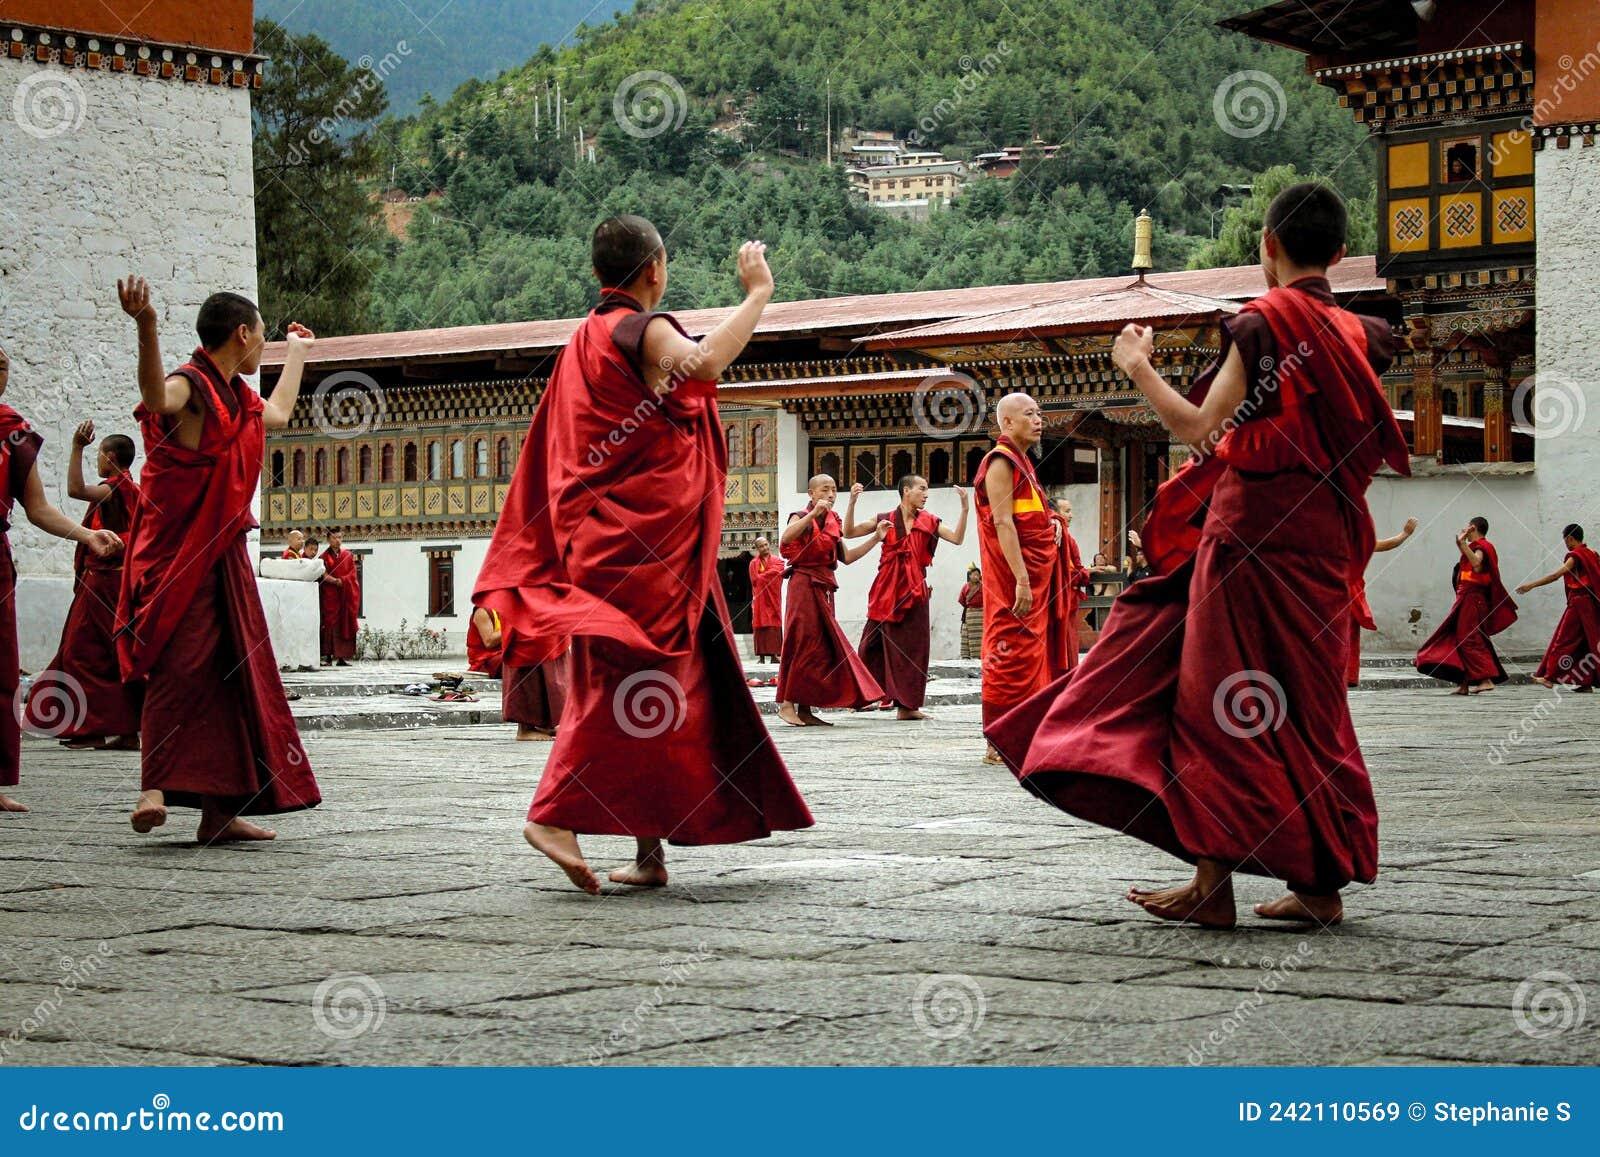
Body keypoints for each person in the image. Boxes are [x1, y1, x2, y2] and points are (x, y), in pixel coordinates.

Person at [989, 182, 1411, 929]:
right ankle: (1319, 883)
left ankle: (1212, 883)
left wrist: (1136, 367)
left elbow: (1198, 426)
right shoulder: (1361, 335)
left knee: (1214, 702)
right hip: (1324, 546)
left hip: (1251, 537)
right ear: (1341, 255)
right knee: (1310, 708)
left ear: (1267, 247)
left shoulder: (1265, 325)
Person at [472, 216, 812, 893]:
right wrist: (758, 294)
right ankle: (552, 813)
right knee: (627, 688)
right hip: (638, 550)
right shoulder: (634, 328)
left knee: (673, 687)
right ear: (654, 268)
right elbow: (707, 362)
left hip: (627, 544)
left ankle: (650, 850)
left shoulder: (584, 341)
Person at [116, 278, 321, 842]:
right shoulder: (191, 384)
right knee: (179, 665)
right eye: (261, 337)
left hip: (221, 551)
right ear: (241, 334)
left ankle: (219, 812)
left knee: (235, 674)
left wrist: (298, 354)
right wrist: (147, 325)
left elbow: (277, 414)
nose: (262, 346)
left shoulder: (236, 394)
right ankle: (152, 786)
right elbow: (157, 398)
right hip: (178, 554)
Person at [0, 345, 125, 812]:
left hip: (13, 560)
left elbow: (39, 507)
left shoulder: (12, 434)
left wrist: (89, 537)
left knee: (2, 667)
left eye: (5, 365)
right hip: (94, 586)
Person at [23, 420, 143, 751]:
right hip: (118, 582)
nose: (97, 463)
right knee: (115, 654)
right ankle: (128, 730)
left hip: (102, 583)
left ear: (109, 457)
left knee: (80, 652)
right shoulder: (132, 488)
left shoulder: (114, 487)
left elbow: (75, 490)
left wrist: (76, 447)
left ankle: (87, 728)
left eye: (99, 456)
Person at [974, 393, 1063, 764]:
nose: (1039, 419)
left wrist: (1054, 523)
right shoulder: (1000, 461)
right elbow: (1004, 522)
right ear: (1007, 423)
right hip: (1014, 578)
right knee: (1009, 651)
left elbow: (1033, 519)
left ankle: (1026, 731)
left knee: (1030, 656)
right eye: (1029, 414)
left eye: (1040, 413)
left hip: (1033, 576)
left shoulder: (1025, 462)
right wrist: (1022, 581)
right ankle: (999, 739)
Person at [844, 475, 968, 720]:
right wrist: (851, 503)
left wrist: (964, 509)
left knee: (914, 648)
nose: (926, 494)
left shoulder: (930, 521)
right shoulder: (885, 520)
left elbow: (957, 538)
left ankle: (908, 707)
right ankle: (864, 695)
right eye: (922, 489)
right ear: (906, 490)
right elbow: (848, 532)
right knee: (872, 644)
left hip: (915, 591)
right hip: (886, 589)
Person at [776, 475, 886, 726]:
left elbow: (847, 557)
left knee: (820, 648)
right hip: (803, 585)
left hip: (825, 587)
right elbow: (787, 538)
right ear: (811, 493)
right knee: (801, 641)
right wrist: (813, 513)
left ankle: (805, 708)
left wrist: (876, 538)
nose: (831, 494)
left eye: (834, 490)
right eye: (825, 490)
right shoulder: (800, 515)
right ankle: (786, 703)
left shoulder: (834, 521)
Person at [1415, 516, 1517, 695]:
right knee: (1456, 637)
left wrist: (1462, 544)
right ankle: (1464, 684)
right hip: (1466, 597)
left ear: (1472, 528)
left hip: (1474, 598)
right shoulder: (1475, 548)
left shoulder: (1483, 547)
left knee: (1469, 638)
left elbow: (1477, 565)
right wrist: (1462, 546)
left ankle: (1485, 679)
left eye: (1467, 528)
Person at [1519, 523, 1600, 691]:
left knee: (1563, 640)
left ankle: (1550, 677)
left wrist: (1531, 585)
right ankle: (1585, 683)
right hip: (1590, 604)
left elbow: (1556, 575)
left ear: (1569, 538)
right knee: (1587, 641)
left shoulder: (1575, 556)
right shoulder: (1592, 553)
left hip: (1578, 603)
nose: (1565, 543)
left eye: (1565, 540)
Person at [1347, 518, 1417, 687]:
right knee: (1346, 636)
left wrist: (1404, 534)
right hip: (1339, 594)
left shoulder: (1354, 543)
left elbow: (1385, 544)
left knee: (1346, 636)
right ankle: (1344, 674)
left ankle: (1345, 674)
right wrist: (1405, 534)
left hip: (1344, 595)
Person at [1049, 498, 1092, 675]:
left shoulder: (1069, 539)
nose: (1071, 515)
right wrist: (1084, 574)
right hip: (1059, 599)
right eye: (1066, 511)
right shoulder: (1055, 534)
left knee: (1069, 645)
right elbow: (1073, 573)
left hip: (1069, 601)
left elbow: (1075, 570)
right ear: (1055, 513)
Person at [317, 529, 360, 667]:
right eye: (334, 538)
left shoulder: (347, 555)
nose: (338, 540)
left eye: (340, 537)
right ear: (328, 539)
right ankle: (328, 656)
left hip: (345, 595)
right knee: (329, 625)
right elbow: (322, 574)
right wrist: (335, 581)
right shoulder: (323, 557)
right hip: (330, 596)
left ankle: (342, 658)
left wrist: (343, 581)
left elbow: (353, 574)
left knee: (344, 624)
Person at [748, 536, 783, 666]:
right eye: (761, 546)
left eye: (766, 544)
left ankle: (774, 655)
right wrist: (767, 575)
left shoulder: (777, 561)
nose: (765, 548)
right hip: (760, 600)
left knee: (774, 622)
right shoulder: (753, 563)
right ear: (757, 549)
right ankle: (761, 657)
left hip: (773, 598)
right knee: (760, 622)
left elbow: (778, 572)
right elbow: (755, 580)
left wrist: (763, 576)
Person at [958, 565, 984, 660]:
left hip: (981, 614)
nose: (976, 577)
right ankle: (968, 657)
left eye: (978, 575)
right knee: (968, 635)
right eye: (974, 575)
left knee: (980, 635)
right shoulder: (965, 587)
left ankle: (979, 656)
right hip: (970, 614)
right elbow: (962, 600)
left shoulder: (983, 586)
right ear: (970, 576)